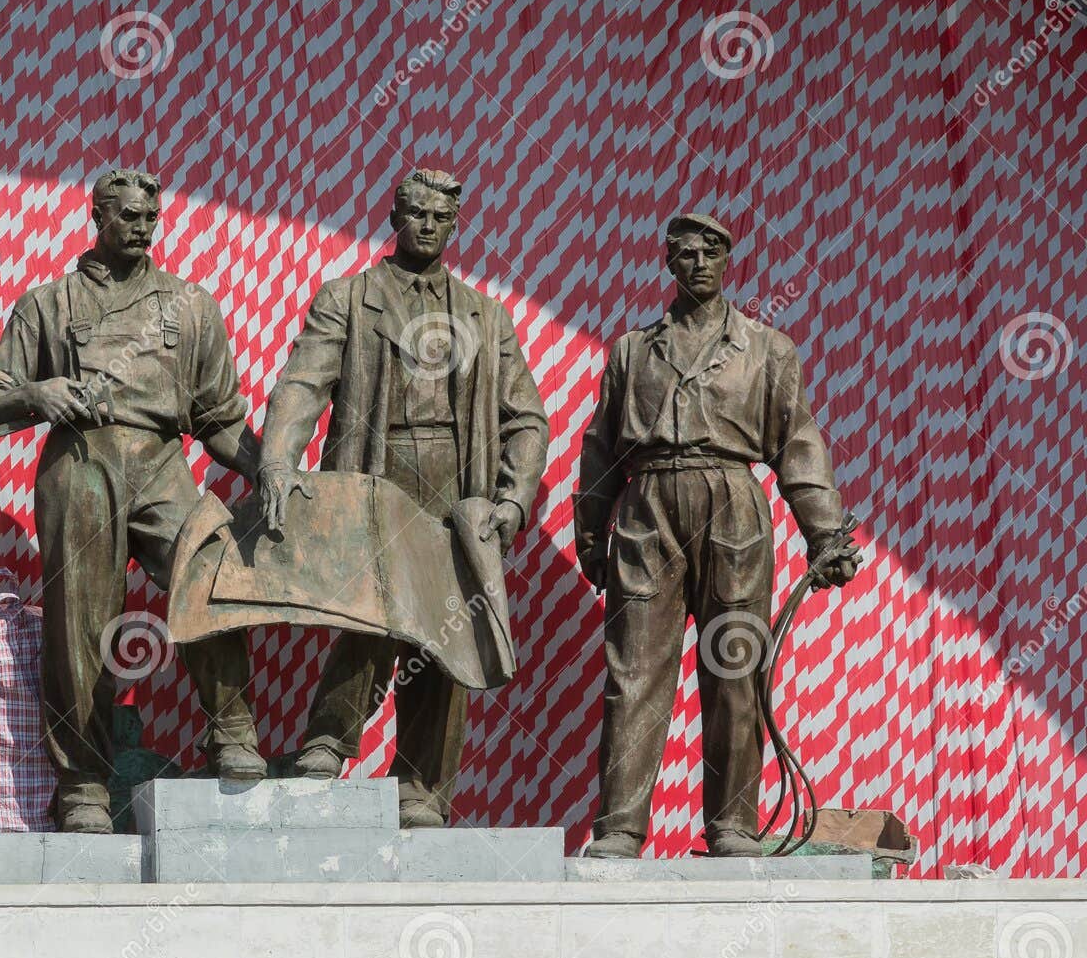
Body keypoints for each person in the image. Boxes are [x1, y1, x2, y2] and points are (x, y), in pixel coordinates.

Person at [0, 169, 263, 833]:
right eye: (127, 215)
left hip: (162, 461)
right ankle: (83, 781)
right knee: (79, 620)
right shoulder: (49, 303)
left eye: (150, 217)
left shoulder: (190, 306)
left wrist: (266, 468)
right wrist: (37, 393)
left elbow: (218, 419)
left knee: (211, 565)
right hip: (81, 461)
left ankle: (230, 725)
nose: (141, 226)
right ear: (98, 216)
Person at [256, 168, 549, 827]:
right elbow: (303, 385)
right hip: (377, 473)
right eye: (415, 211)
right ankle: (328, 740)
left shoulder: (485, 314)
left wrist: (512, 498)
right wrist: (278, 461)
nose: (426, 224)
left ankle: (422, 787)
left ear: (454, 224)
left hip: (456, 488)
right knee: (376, 615)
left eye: (439, 216)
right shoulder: (349, 299)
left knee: (450, 634)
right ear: (394, 215)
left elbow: (527, 417)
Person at [573, 212, 861, 859]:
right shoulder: (630, 351)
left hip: (733, 503)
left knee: (736, 664)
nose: (697, 262)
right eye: (684, 253)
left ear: (728, 261)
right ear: (667, 262)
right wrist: (592, 537)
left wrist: (823, 535)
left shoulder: (768, 348)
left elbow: (799, 445)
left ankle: (732, 823)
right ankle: (619, 825)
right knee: (635, 668)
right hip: (648, 508)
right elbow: (599, 455)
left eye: (709, 252)